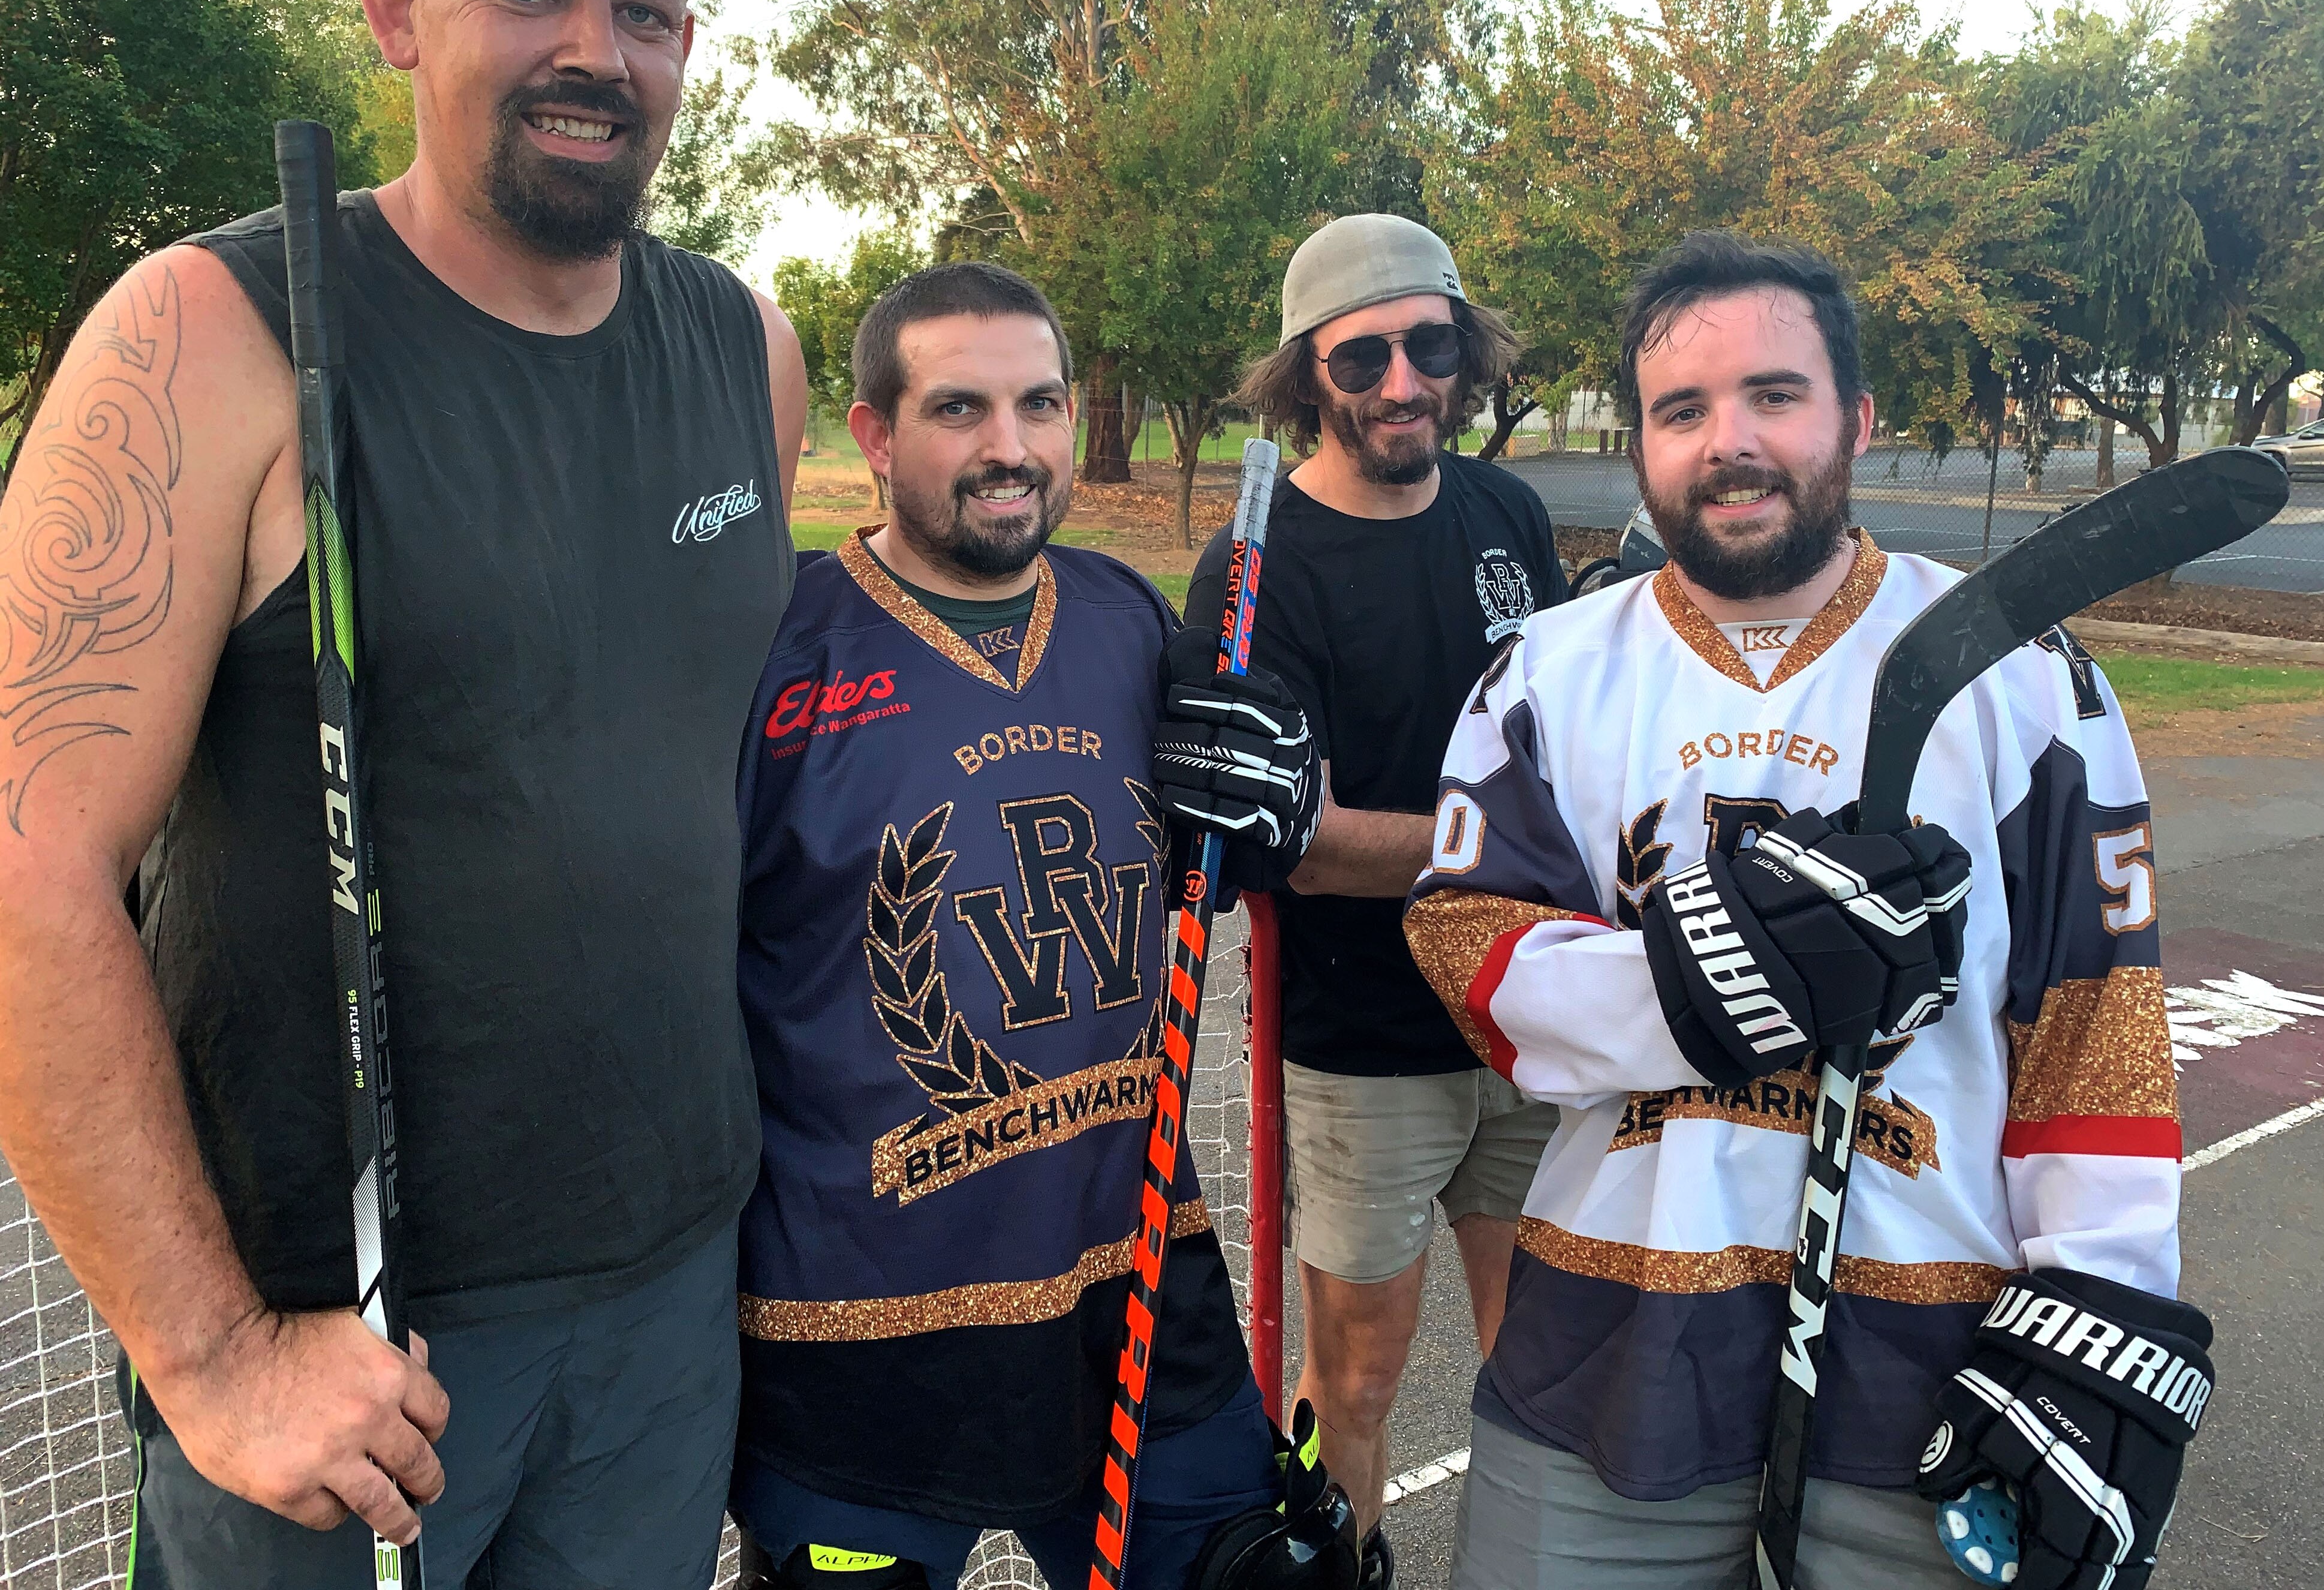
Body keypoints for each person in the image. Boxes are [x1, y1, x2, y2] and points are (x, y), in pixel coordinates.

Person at [0, 0, 808, 1583]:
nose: (597, 47)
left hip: (670, 1288)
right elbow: (27, 862)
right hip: (346, 1342)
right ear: (392, 6)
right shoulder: (209, 334)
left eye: (646, 10)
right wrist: (213, 1359)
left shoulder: (747, 347)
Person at [1406, 230, 2210, 1589]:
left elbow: (2096, 1020)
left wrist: (2104, 1306)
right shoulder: (1545, 672)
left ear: (1858, 420)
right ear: (1642, 446)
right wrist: (1698, 986)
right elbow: (1462, 937)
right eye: (1683, 410)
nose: (1731, 441)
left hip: (1941, 1364)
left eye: (1774, 394)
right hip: (1607, 1344)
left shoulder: (2023, 678)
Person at [729, 262, 1349, 1590]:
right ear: (876, 436)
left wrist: (1279, 789)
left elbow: (1217, 864)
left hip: (1137, 1281)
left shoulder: (1133, 621)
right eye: (961, 409)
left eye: (1042, 404)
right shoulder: (778, 649)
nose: (1011, 449)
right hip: (857, 1326)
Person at [1186, 213, 1569, 1585]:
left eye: (1433, 343)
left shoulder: (1506, 511)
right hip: (1363, 1055)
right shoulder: (1255, 564)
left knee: (1551, 1371)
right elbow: (1296, 844)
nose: (1404, 382)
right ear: (1308, 374)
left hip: (1536, 1020)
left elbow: (1562, 743)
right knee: (1355, 1391)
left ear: (1467, 350)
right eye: (1364, 356)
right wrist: (1516, 846)